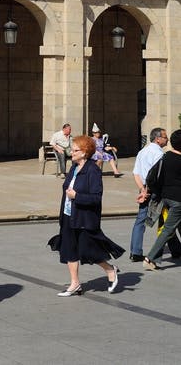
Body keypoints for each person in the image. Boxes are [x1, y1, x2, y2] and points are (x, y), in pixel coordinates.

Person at [48, 134, 125, 296]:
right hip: (68, 214)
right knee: (69, 249)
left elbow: (96, 197)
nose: (71, 152)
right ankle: (75, 283)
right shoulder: (74, 168)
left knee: (89, 250)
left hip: (84, 217)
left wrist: (77, 196)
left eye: (75, 150)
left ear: (84, 152)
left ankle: (110, 270)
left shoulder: (93, 170)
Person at [143, 128, 181, 270]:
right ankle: (150, 259)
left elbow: (152, 177)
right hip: (178, 200)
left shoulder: (165, 157)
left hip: (166, 197)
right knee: (168, 230)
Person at [129, 127, 168, 262]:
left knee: (141, 220)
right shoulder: (159, 154)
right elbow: (157, 177)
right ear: (157, 139)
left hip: (144, 189)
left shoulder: (142, 152)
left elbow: (136, 173)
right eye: (165, 137)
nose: (167, 139)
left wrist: (142, 190)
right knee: (166, 219)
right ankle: (175, 249)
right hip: (156, 190)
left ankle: (135, 251)